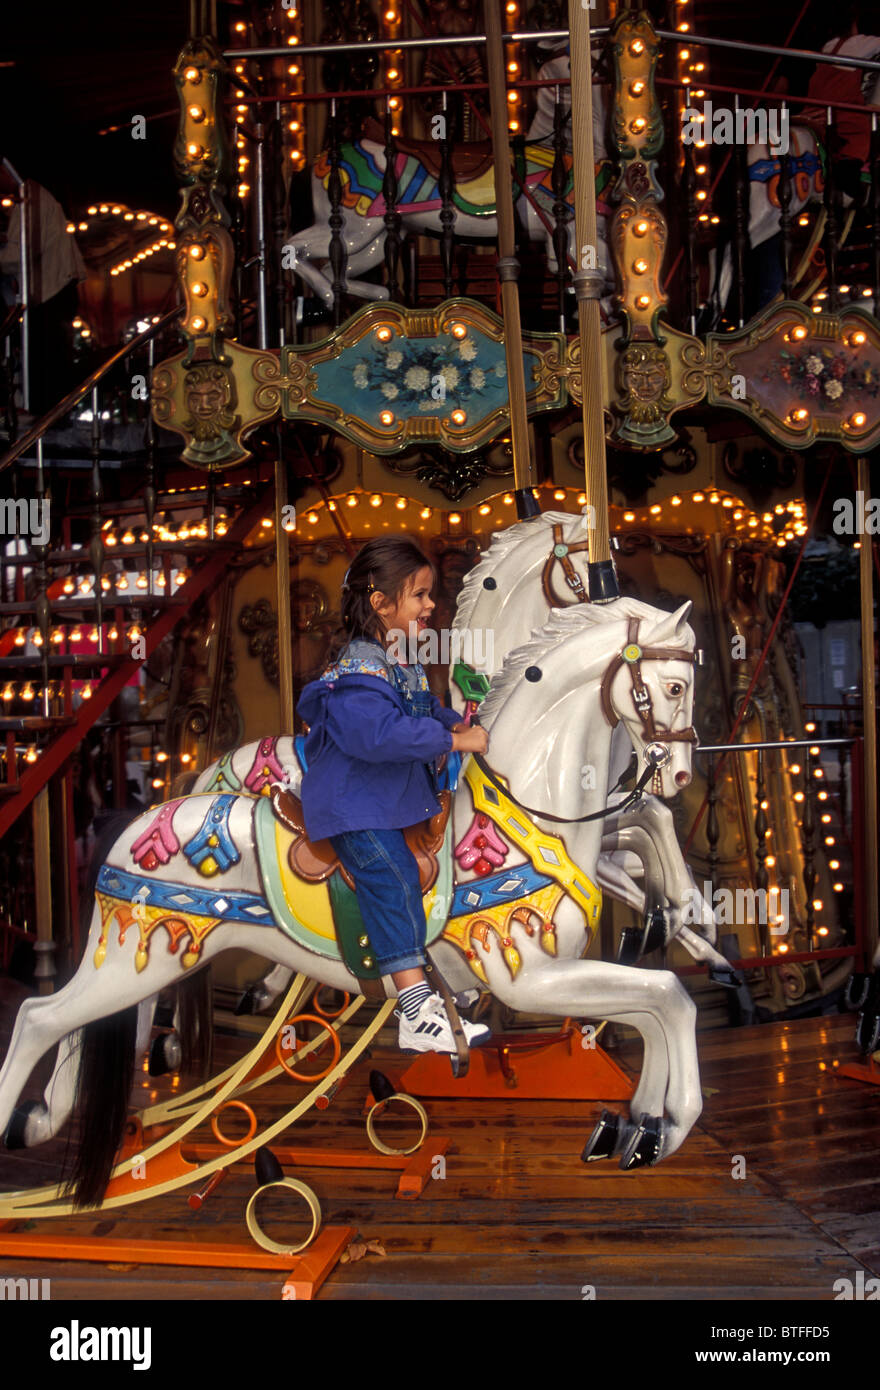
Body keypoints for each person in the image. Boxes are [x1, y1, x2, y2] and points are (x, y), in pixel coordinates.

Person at [296, 536, 492, 1054]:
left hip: (386, 802)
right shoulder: (359, 670)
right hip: (353, 806)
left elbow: (423, 709)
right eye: (420, 596)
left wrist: (464, 720)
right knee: (392, 873)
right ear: (380, 603)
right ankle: (414, 1010)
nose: (431, 606)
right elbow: (378, 737)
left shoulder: (397, 662)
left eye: (431, 595)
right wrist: (452, 740)